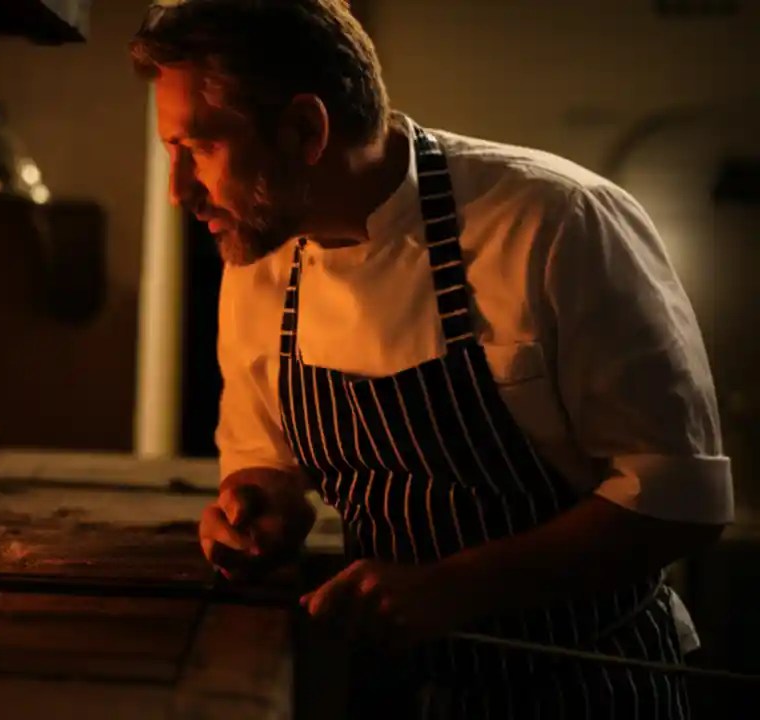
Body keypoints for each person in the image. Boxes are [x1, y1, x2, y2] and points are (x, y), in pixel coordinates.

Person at [129, 1, 734, 717]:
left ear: (304, 130)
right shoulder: (263, 252)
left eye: (198, 149)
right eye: (172, 152)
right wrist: (260, 504)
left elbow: (679, 501)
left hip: (580, 682)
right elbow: (266, 455)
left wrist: (460, 584)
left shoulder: (554, 224)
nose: (177, 191)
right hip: (393, 692)